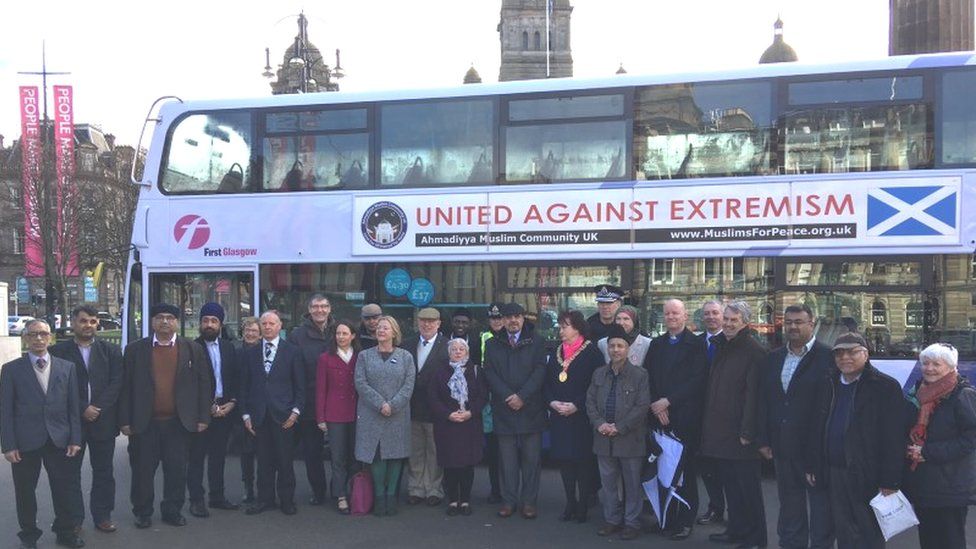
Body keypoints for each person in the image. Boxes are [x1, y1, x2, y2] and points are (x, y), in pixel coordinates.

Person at [119, 303, 212, 529]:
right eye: (159, 317)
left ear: (177, 322)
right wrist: (124, 420)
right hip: (145, 423)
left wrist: (203, 418)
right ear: (152, 322)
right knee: (142, 472)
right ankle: (142, 512)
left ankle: (172, 511)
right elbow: (125, 388)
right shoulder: (135, 350)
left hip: (178, 424)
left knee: (176, 471)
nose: (165, 321)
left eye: (170, 318)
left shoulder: (192, 349)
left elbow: (204, 384)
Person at [811, 332, 903, 549]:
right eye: (840, 353)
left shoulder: (884, 387)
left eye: (852, 352)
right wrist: (813, 464)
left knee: (867, 533)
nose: (845, 358)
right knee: (843, 530)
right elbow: (816, 427)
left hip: (867, 473)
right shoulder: (828, 383)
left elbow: (894, 437)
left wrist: (890, 480)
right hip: (834, 471)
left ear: (865, 354)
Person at [2, 319, 85, 549]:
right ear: (25, 338)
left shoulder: (66, 367)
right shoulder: (11, 370)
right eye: (33, 334)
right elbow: (6, 410)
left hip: (59, 440)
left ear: (51, 337)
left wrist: (75, 438)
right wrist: (8, 445)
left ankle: (65, 532)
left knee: (64, 489)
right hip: (24, 442)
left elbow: (73, 407)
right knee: (25, 492)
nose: (38, 338)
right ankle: (29, 535)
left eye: (43, 334)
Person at [756, 304, 834, 549]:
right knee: (790, 506)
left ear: (812, 323)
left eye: (799, 321)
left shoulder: (828, 357)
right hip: (782, 446)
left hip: (816, 448)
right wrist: (764, 439)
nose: (793, 326)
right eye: (788, 322)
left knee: (821, 509)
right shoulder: (773, 357)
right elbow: (765, 401)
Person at [50, 305, 123, 534]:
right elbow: (56, 387)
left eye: (92, 321)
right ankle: (74, 520)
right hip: (72, 424)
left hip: (103, 420)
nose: (88, 325)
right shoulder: (58, 352)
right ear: (73, 322)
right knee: (70, 474)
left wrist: (97, 407)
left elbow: (116, 383)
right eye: (83, 321)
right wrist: (83, 408)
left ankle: (102, 516)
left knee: (104, 472)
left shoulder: (110, 351)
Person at [700, 301, 767, 549]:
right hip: (721, 431)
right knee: (732, 489)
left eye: (733, 320)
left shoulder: (754, 351)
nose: (727, 323)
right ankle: (736, 531)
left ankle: (756, 539)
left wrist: (748, 432)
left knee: (749, 492)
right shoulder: (723, 346)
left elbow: (754, 396)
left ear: (745, 323)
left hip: (741, 435)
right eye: (726, 318)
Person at [643, 298, 707, 540]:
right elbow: (648, 376)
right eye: (667, 313)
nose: (671, 317)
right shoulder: (657, 344)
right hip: (659, 418)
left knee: (685, 473)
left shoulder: (696, 344)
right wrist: (657, 404)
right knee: (664, 471)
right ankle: (666, 518)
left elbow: (697, 380)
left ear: (685, 316)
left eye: (675, 313)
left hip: (684, 418)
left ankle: (686, 521)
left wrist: (668, 401)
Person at [903, 342, 976, 549]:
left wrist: (927, 452)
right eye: (925, 363)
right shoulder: (916, 392)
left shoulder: (963, 395)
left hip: (950, 486)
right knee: (928, 540)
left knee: (950, 541)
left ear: (952, 368)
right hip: (923, 484)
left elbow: (970, 440)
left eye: (937, 364)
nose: (929, 368)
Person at [483, 302, 547, 519]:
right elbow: (489, 372)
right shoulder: (492, 344)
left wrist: (522, 396)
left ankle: (529, 502)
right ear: (502, 319)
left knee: (531, 461)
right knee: (506, 461)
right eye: (508, 316)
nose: (513, 320)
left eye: (517, 316)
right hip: (504, 408)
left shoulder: (537, 340)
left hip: (531, 409)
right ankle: (508, 501)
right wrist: (508, 396)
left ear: (523, 319)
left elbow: (540, 371)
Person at [587, 323, 650, 541]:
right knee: (608, 484)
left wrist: (619, 427)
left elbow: (642, 407)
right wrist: (600, 424)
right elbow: (590, 402)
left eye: (620, 346)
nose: (615, 350)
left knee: (632, 485)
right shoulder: (598, 373)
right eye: (612, 346)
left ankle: (632, 523)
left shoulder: (640, 375)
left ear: (628, 349)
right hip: (603, 438)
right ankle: (612, 520)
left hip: (630, 439)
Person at [240, 311, 305, 516]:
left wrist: (295, 412)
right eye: (264, 323)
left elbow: (300, 386)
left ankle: (287, 500)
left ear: (280, 326)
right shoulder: (250, 353)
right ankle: (264, 499)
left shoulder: (292, 352)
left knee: (285, 460)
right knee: (264, 460)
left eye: (271, 323)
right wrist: (246, 415)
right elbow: (244, 386)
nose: (267, 327)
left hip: (284, 416)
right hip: (259, 416)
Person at [544, 310, 603, 523]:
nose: (560, 330)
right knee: (565, 462)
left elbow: (596, 386)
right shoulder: (557, 351)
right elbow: (547, 382)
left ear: (577, 327)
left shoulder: (592, 352)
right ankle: (570, 502)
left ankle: (583, 505)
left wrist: (577, 405)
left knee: (583, 463)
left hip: (581, 416)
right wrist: (551, 402)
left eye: (564, 326)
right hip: (560, 415)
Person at [354, 316, 415, 516]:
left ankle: (391, 496)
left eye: (386, 328)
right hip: (372, 412)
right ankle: (379, 496)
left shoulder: (406, 356)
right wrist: (381, 404)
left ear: (394, 332)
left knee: (396, 454)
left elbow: (408, 385)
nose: (381, 331)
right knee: (377, 454)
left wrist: (393, 404)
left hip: (397, 414)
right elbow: (360, 383)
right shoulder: (364, 356)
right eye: (379, 328)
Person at [187, 303, 241, 517]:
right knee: (197, 458)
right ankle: (196, 500)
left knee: (218, 457)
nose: (209, 324)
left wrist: (233, 402)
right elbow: (188, 384)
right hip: (201, 413)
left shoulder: (229, 347)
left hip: (225, 410)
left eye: (214, 321)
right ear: (200, 323)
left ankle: (217, 497)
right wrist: (207, 406)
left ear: (220, 324)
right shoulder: (191, 348)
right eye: (206, 320)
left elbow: (235, 377)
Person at [427, 338, 487, 516]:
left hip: (470, 424)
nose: (458, 352)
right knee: (450, 464)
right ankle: (453, 500)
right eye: (454, 349)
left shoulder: (476, 371)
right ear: (449, 353)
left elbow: (483, 396)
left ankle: (466, 500)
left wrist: (471, 412)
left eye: (462, 349)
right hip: (447, 425)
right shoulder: (439, 372)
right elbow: (433, 397)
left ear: (467, 352)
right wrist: (447, 414)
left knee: (467, 465)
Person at [287, 294, 336, 506]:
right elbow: (291, 370)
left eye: (324, 306)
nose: (320, 310)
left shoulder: (339, 330)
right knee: (312, 452)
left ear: (329, 309)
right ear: (309, 309)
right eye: (315, 306)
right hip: (309, 402)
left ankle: (340, 491)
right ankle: (318, 491)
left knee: (341, 453)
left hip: (338, 402)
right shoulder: (297, 335)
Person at [404, 307, 448, 506]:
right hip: (412, 407)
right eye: (423, 321)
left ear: (439, 324)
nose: (427, 324)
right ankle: (416, 488)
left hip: (436, 409)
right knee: (415, 451)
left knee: (434, 451)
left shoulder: (447, 345)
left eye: (432, 321)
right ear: (417, 322)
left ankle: (433, 489)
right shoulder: (407, 344)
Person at [315, 320, 360, 515]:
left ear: (353, 336)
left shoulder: (361, 357)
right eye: (338, 334)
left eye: (344, 333)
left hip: (356, 413)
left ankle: (350, 490)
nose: (341, 337)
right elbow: (320, 390)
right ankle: (341, 495)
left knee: (354, 457)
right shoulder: (326, 358)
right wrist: (321, 417)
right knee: (338, 457)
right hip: (334, 414)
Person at [697, 299, 726, 526]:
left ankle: (734, 513)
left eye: (715, 313)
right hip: (701, 414)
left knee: (728, 469)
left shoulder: (733, 341)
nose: (711, 317)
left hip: (726, 416)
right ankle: (715, 507)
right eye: (707, 314)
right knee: (707, 466)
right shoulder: (696, 343)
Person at [480, 302, 505, 504]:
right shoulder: (481, 337)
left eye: (499, 318)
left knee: (511, 453)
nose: (496, 322)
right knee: (493, 450)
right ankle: (495, 489)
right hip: (488, 400)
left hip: (507, 400)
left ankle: (509, 491)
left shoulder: (514, 338)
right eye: (493, 318)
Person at [235, 316, 260, 503]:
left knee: (265, 452)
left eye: (254, 330)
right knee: (246, 452)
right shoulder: (235, 351)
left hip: (262, 409)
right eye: (248, 330)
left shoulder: (265, 351)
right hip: (240, 408)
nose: (250, 333)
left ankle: (264, 487)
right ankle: (248, 486)